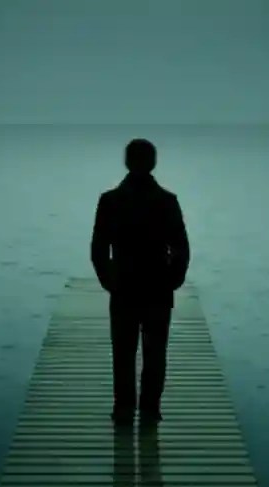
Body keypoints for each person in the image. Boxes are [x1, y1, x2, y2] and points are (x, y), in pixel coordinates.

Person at [90, 138, 191, 425]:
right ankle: (149, 408)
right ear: (153, 162)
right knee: (155, 352)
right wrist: (173, 280)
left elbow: (98, 249)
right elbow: (182, 248)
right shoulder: (167, 201)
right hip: (157, 287)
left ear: (127, 162)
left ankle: (124, 407)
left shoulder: (110, 201)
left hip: (123, 286)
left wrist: (108, 280)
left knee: (123, 351)